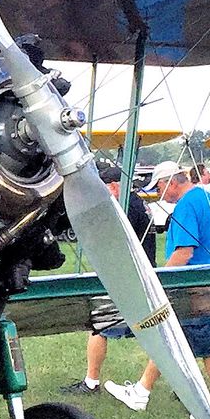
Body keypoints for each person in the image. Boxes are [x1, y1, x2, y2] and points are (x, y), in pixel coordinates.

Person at [105, 161, 210, 419]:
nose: (159, 194)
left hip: (189, 284)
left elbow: (184, 252)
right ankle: (141, 392)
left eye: (159, 187)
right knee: (168, 338)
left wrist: (158, 283)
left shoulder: (186, 206)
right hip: (206, 279)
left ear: (171, 181)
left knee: (209, 347)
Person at [59, 159, 155, 397]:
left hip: (126, 276)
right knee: (154, 330)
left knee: (99, 326)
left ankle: (91, 382)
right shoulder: (139, 203)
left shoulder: (123, 206)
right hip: (145, 272)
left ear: (113, 186)